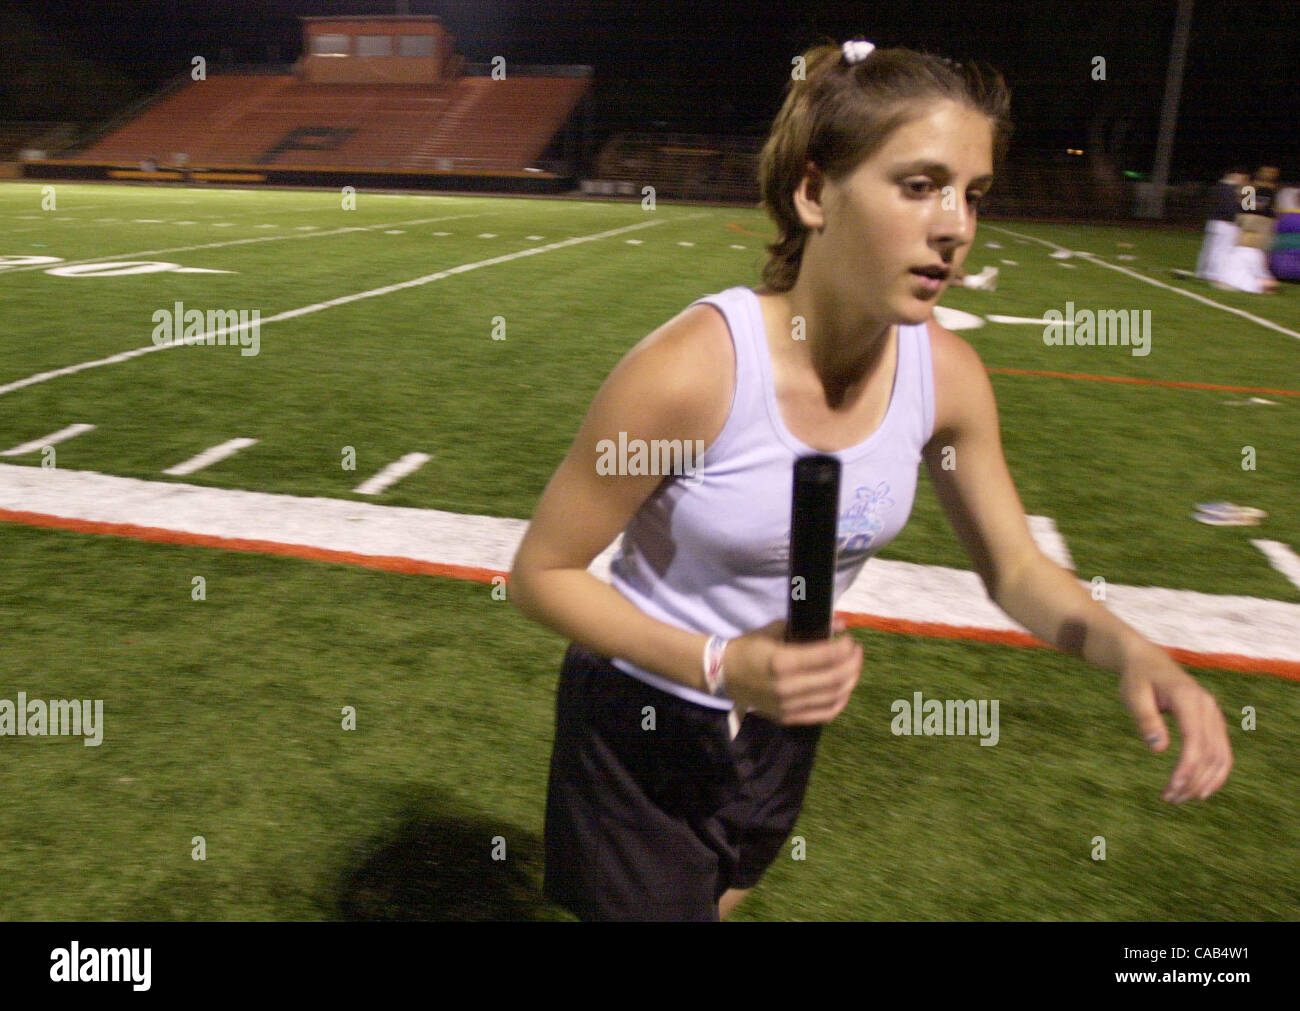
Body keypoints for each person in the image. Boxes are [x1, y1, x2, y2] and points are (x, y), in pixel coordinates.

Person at [509, 40, 1234, 922]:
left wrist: (1136, 650)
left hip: (787, 712)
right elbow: (540, 574)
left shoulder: (949, 378)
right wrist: (721, 664)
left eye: (973, 194)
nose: (957, 225)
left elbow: (1015, 569)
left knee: (721, 894)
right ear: (815, 193)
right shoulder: (693, 370)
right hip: (646, 714)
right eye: (920, 185)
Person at [1194, 167, 1249, 283]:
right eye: (1243, 177)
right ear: (1236, 175)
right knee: (1220, 250)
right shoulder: (1229, 189)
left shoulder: (1219, 187)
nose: (1244, 180)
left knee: (1210, 249)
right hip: (1226, 224)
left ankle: (1203, 271)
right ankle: (1214, 274)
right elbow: (1238, 209)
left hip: (1215, 222)